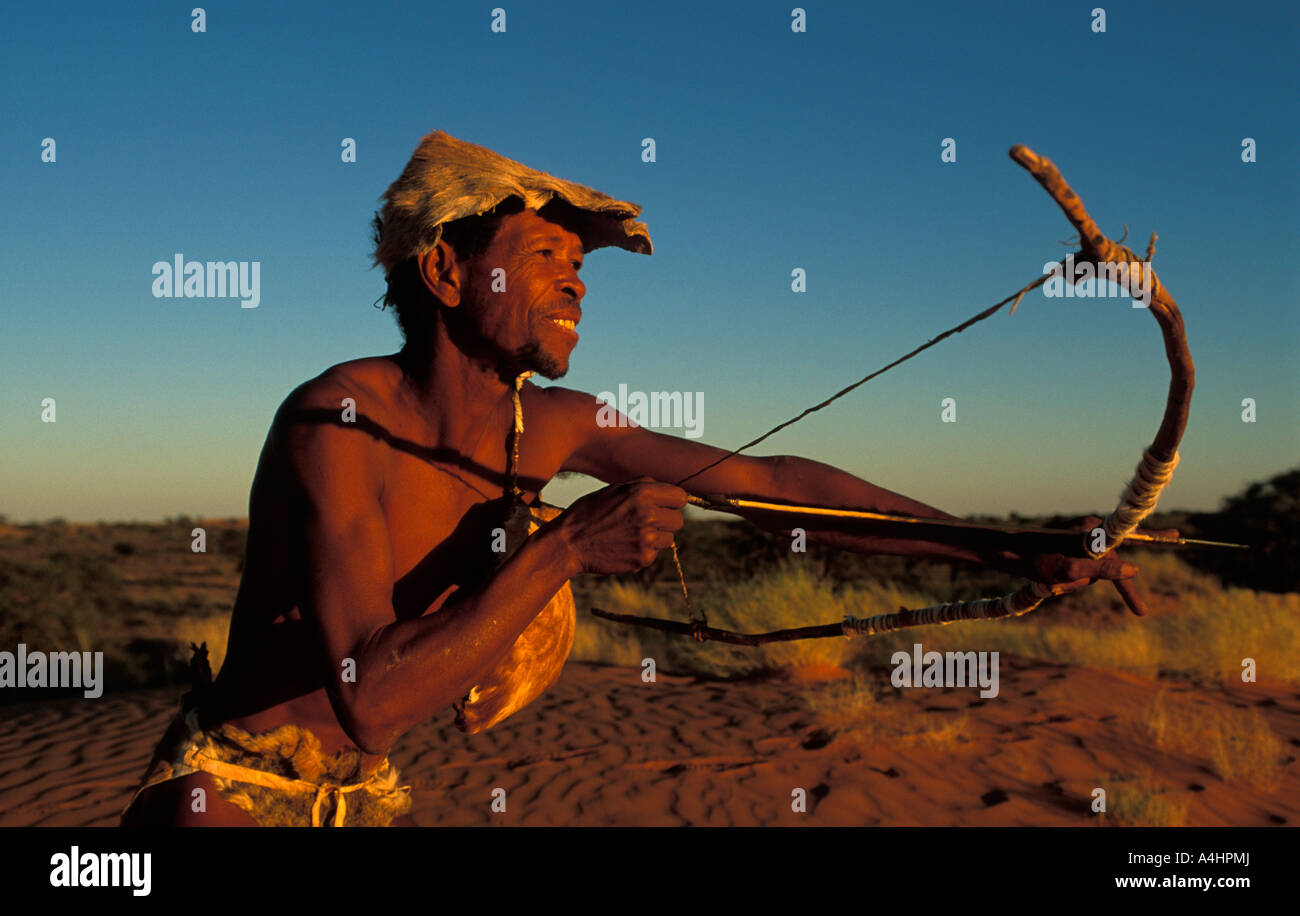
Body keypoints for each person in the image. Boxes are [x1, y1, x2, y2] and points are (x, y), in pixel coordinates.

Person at [120, 130, 1139, 826]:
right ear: (444, 272)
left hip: (360, 800)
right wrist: (567, 547)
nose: (576, 281)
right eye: (545, 254)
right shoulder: (336, 421)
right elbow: (370, 699)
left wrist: (1006, 548)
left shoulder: (553, 423)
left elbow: (768, 481)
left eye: (582, 263)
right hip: (228, 793)